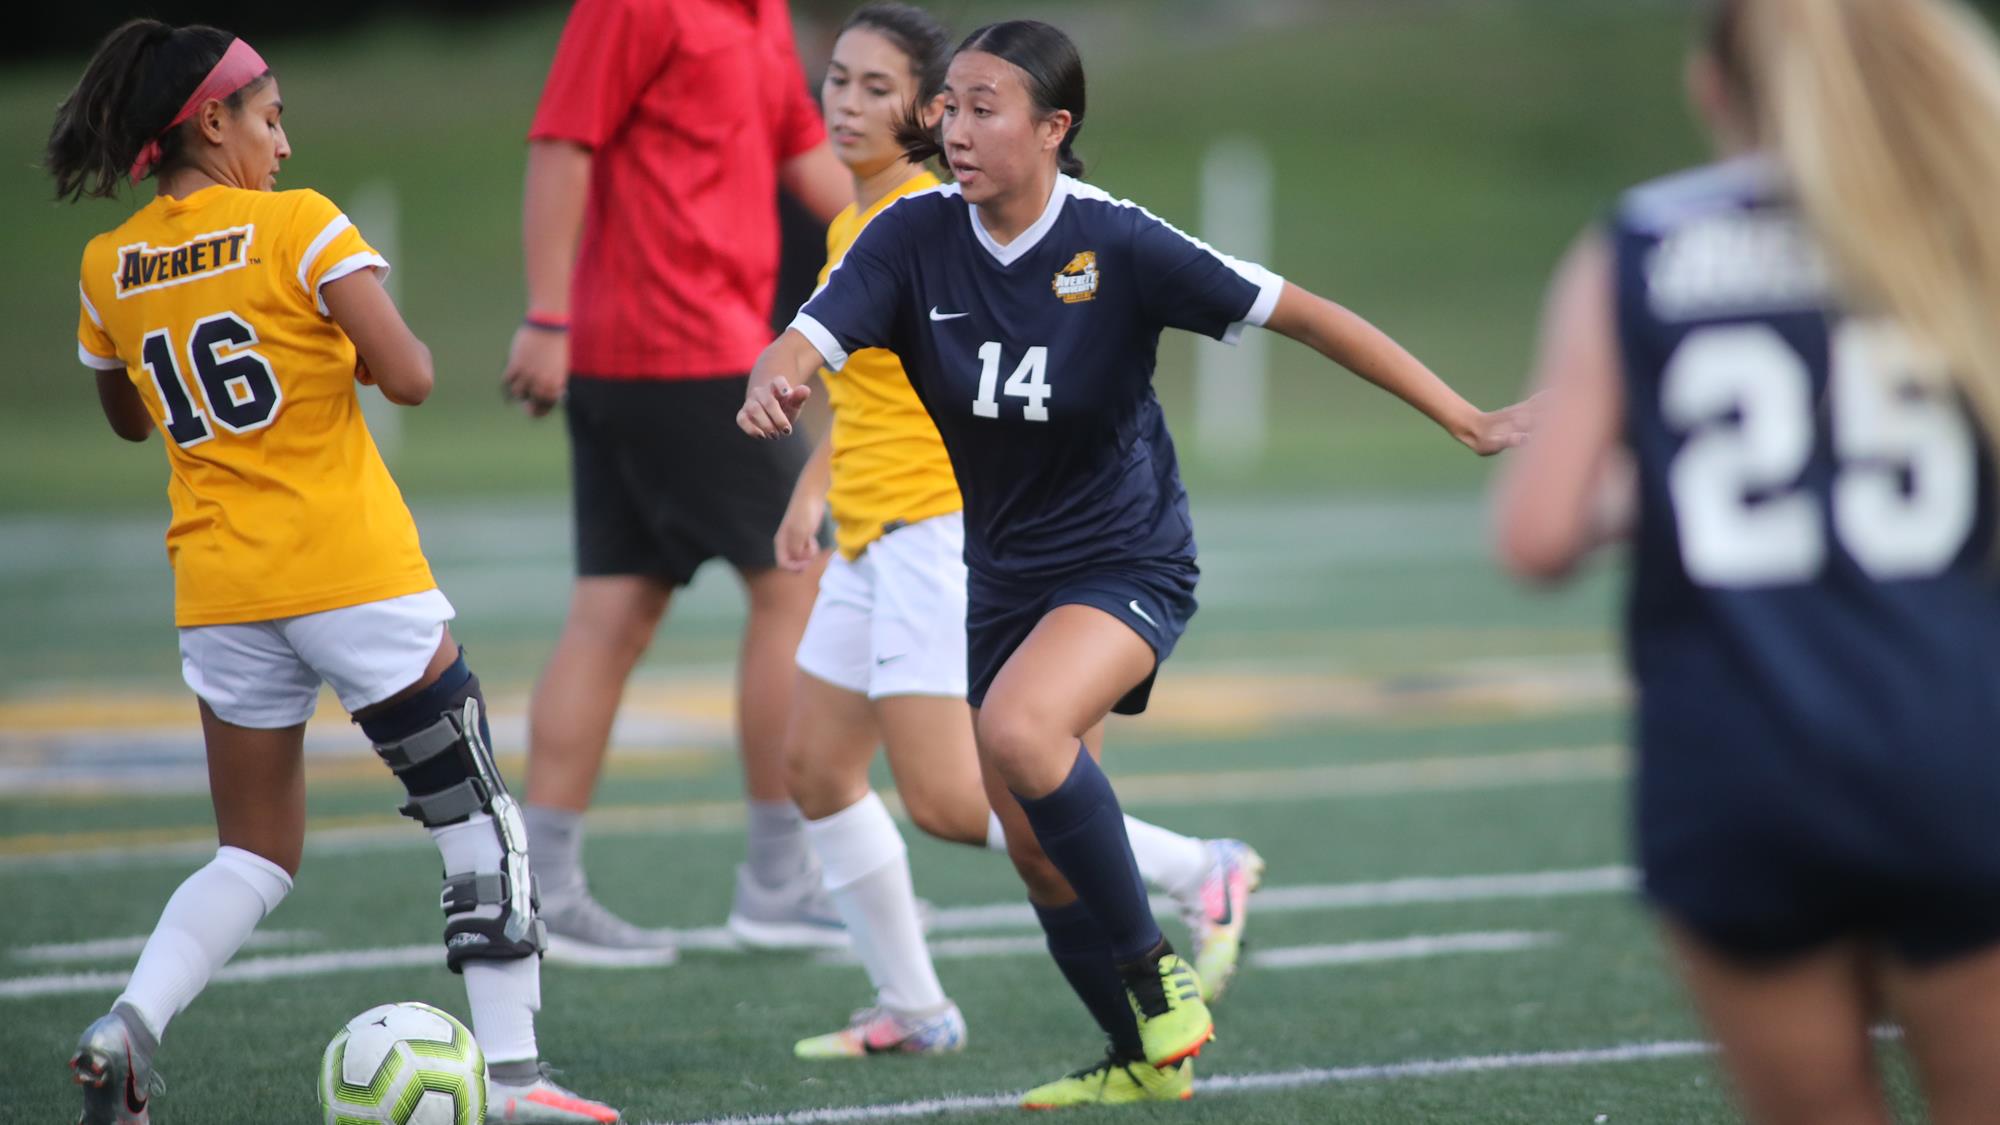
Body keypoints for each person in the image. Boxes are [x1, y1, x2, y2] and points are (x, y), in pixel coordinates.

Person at [741, 19, 1532, 1106]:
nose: (955, 131)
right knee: (1030, 848)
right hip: (1003, 569)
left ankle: (1153, 968)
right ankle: (1142, 1061)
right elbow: (808, 337)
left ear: (1054, 129)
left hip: (1127, 556)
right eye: (950, 107)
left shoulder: (1115, 243)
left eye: (985, 110)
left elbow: (1304, 316)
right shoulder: (910, 234)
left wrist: (1464, 416)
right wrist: (771, 376)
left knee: (1021, 734)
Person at [47, 20, 619, 1125]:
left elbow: (128, 415)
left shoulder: (103, 261)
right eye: (270, 117)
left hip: (220, 593)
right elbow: (408, 375)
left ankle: (127, 1026)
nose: (286, 143)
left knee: (252, 853)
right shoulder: (299, 227)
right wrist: (328, 340)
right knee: (478, 821)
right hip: (350, 575)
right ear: (211, 120)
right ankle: (512, 1083)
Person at [1491, 2, 2000, 1123]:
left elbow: (1534, 537)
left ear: (1712, 87)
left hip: (1739, 772)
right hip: (1953, 755)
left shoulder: (1640, 240)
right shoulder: (1968, 212)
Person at [775, 3, 1266, 1064]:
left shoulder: (945, 215)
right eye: (838, 79)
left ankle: (1190, 873)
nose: (848, 104)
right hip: (865, 526)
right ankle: (915, 1003)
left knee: (962, 800)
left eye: (880, 87)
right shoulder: (861, 226)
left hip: (940, 530)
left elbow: (963, 391)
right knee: (814, 767)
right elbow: (864, 384)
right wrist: (812, 486)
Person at [498, 0, 861, 966]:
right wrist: (545, 312)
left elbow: (801, 154)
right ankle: (782, 880)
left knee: (614, 613)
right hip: (683, 353)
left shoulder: (758, 14)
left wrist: (927, 232)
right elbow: (560, 143)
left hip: (672, 353)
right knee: (799, 581)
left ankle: (539, 893)